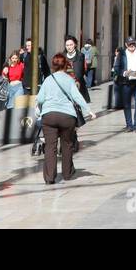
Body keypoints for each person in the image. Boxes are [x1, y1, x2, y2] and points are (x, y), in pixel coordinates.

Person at [36, 53, 95, 184]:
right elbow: (77, 97)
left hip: (49, 115)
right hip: (67, 117)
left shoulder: (48, 80)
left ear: (53, 65)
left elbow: (39, 99)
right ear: (66, 65)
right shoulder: (69, 80)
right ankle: (67, 173)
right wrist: (89, 110)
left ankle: (50, 177)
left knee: (50, 146)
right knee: (67, 144)